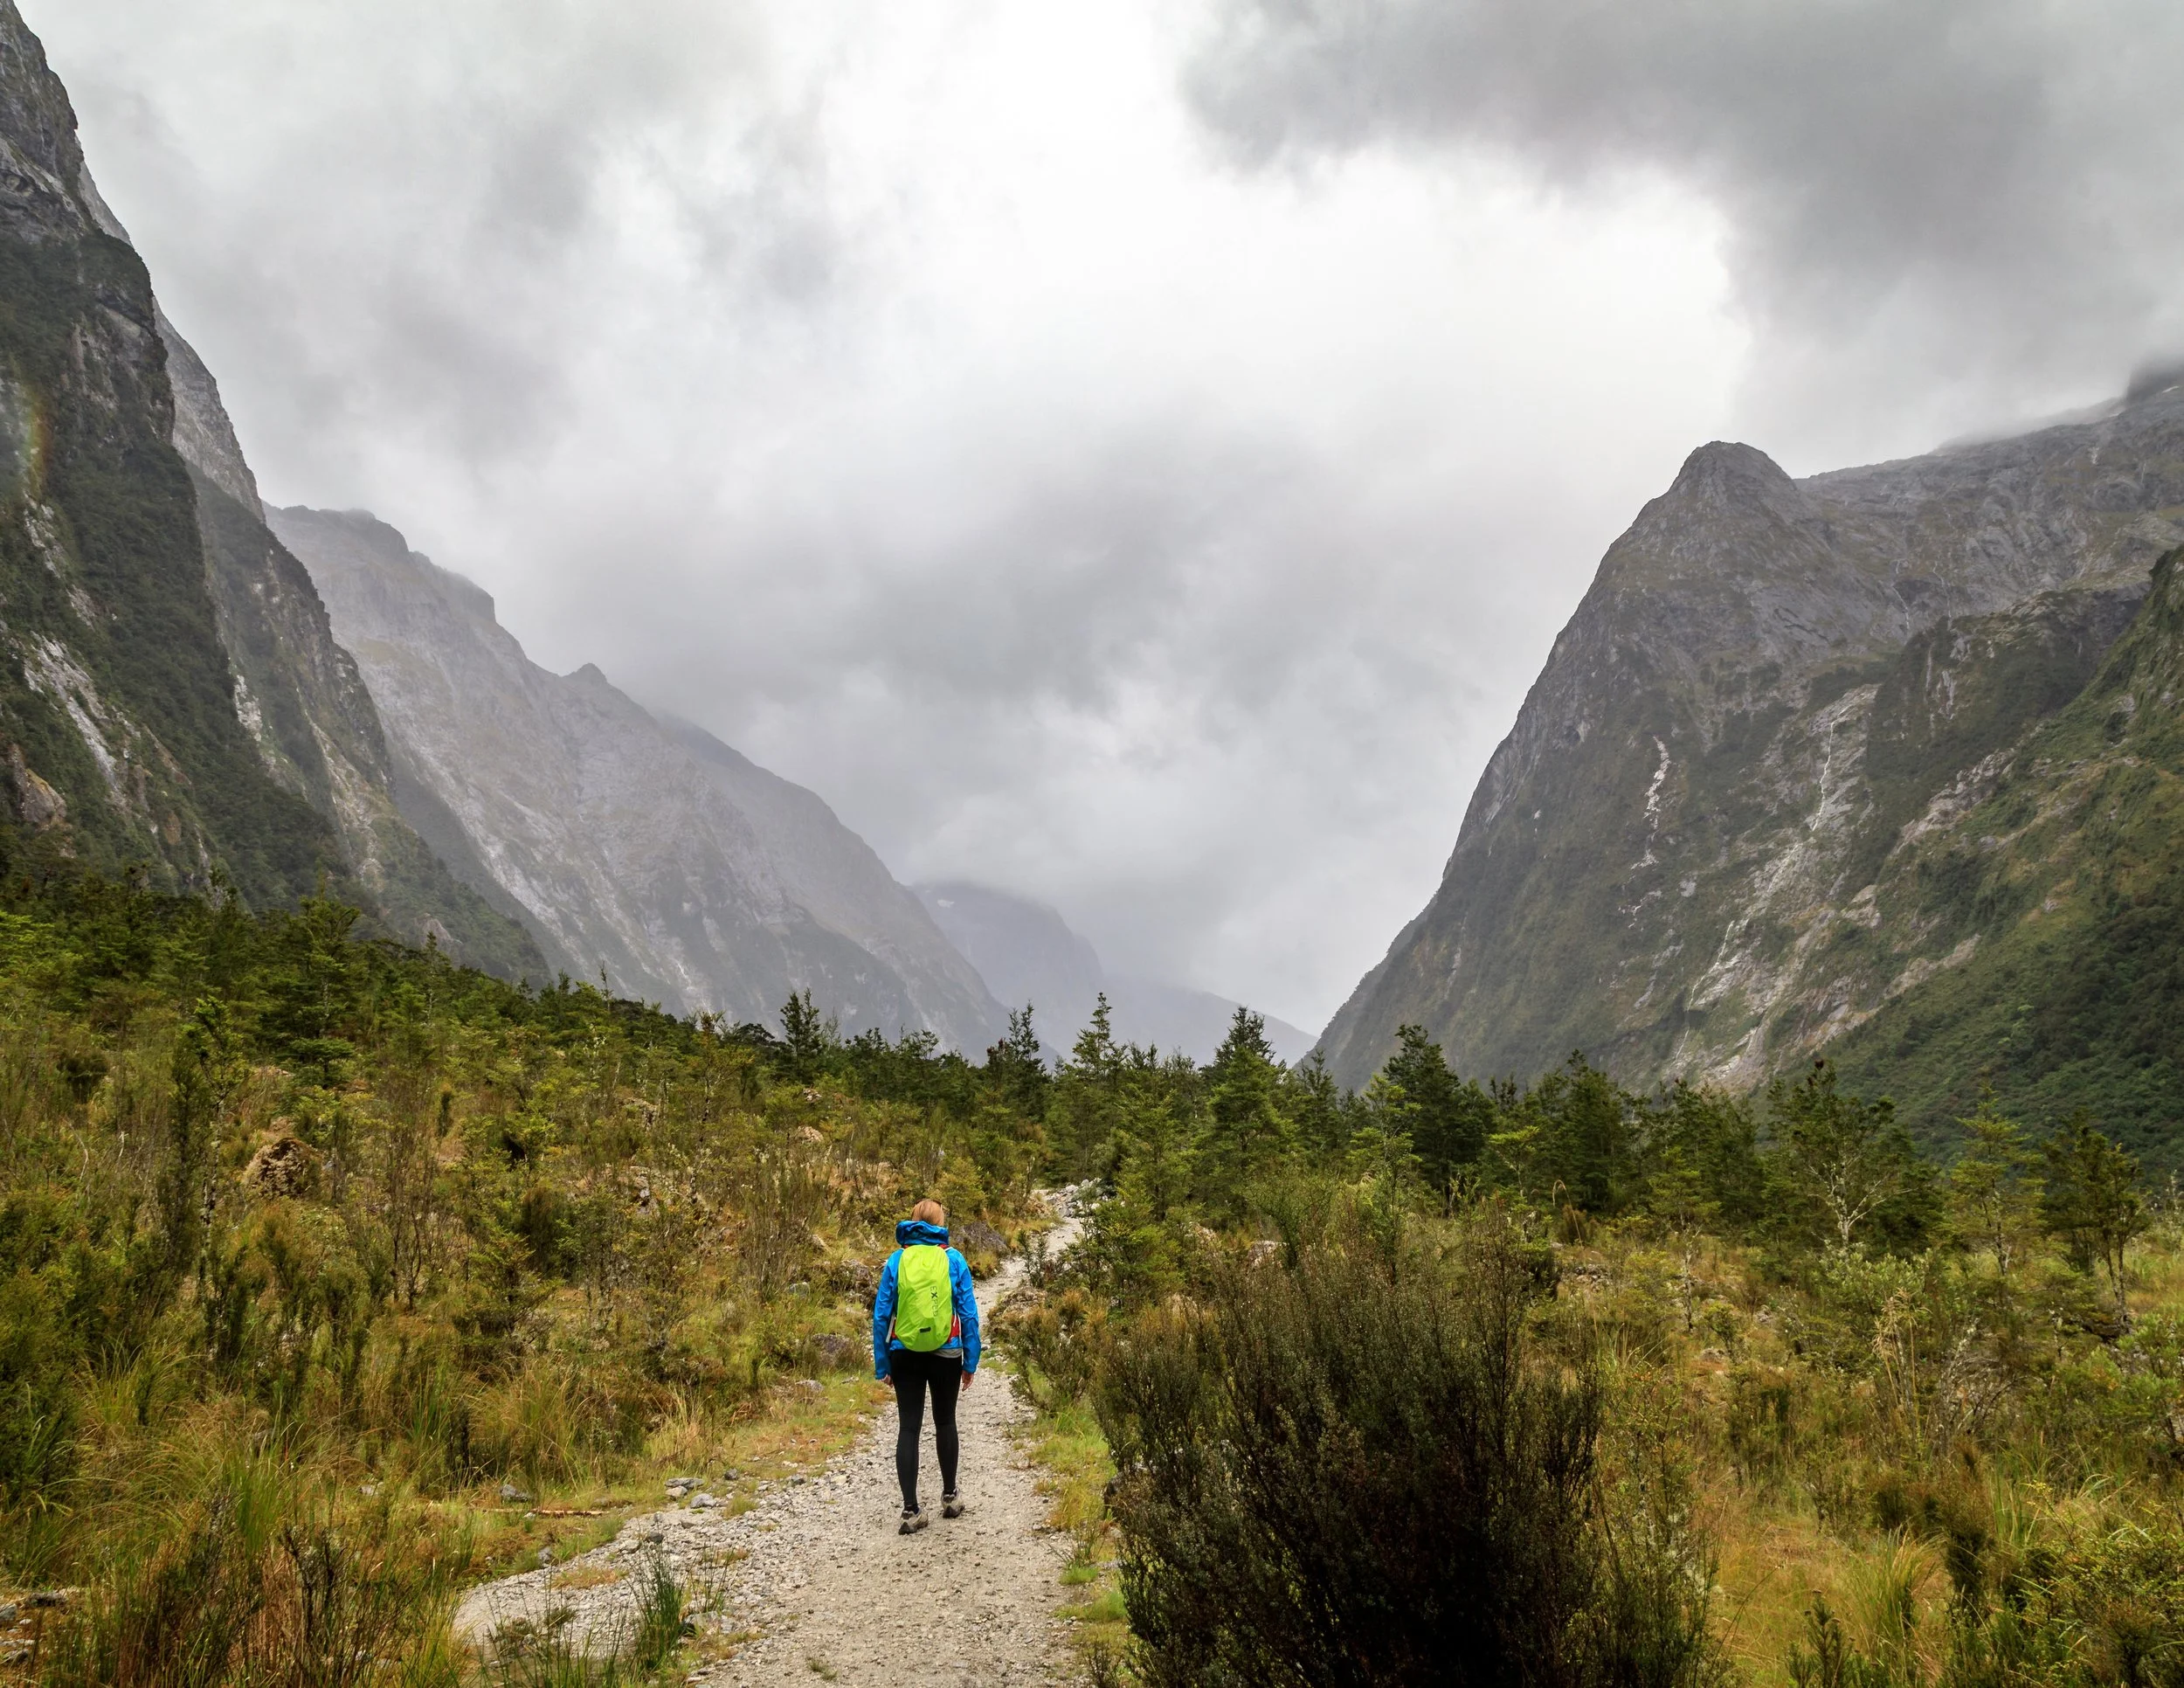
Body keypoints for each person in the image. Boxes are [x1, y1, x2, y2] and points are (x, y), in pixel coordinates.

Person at [871, 1197, 981, 1533]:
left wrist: (883, 1362)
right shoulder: (953, 1259)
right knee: (946, 1421)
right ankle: (949, 1497)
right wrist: (970, 1360)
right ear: (939, 1223)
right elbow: (969, 1313)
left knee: (908, 1428)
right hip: (947, 1352)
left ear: (913, 1222)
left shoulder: (897, 1260)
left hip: (904, 1353)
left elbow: (880, 1315)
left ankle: (910, 1511)